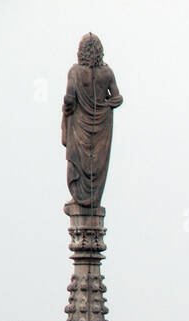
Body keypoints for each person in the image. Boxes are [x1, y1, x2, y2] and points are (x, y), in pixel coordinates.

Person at [63, 34, 123, 208]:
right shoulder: (107, 73)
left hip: (79, 125)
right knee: (96, 162)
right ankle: (91, 200)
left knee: (79, 161)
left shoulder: (75, 72)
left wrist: (67, 108)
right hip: (102, 124)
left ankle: (81, 199)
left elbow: (70, 99)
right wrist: (104, 106)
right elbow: (118, 99)